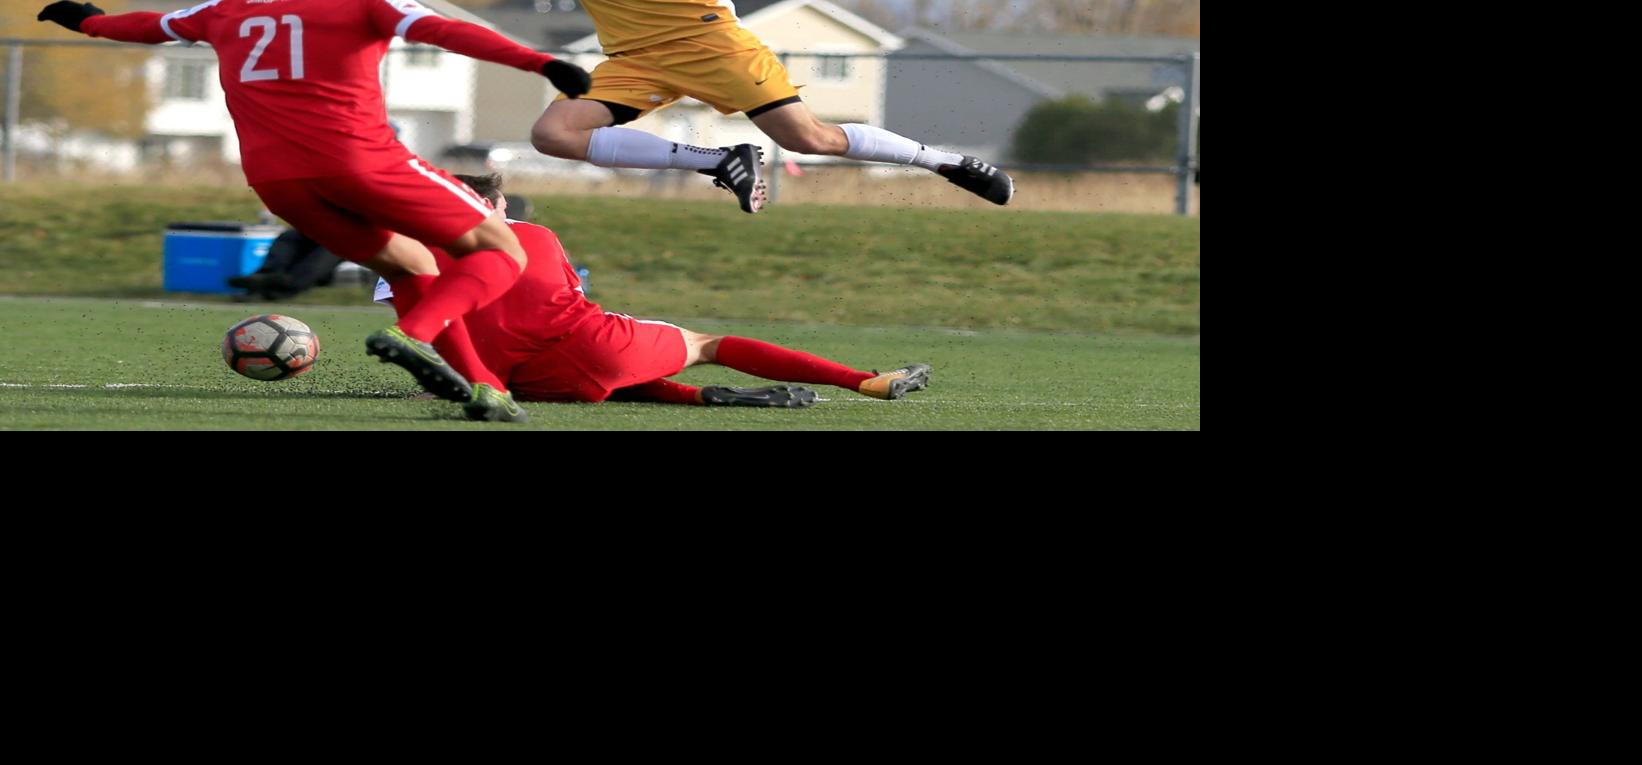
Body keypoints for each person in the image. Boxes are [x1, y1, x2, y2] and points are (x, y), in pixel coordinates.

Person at [37, 0, 596, 421]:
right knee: (502, 249)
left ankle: (483, 388)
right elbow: (444, 30)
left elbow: (149, 28)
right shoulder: (360, 4)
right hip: (362, 161)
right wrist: (541, 62)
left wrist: (88, 21)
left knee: (409, 265)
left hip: (277, 180)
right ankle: (413, 333)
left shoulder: (226, 11)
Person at [375, 174, 931, 419]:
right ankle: (865, 380)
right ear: (496, 207)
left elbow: (424, 326)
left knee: (572, 373)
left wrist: (456, 384)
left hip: (513, 381)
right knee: (706, 341)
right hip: (590, 350)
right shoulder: (534, 234)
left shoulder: (405, 252)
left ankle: (694, 399)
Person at [528, 0, 1015, 214]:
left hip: (710, 43)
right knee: (554, 134)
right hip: (634, 59)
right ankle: (721, 160)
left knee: (808, 138)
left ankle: (946, 161)